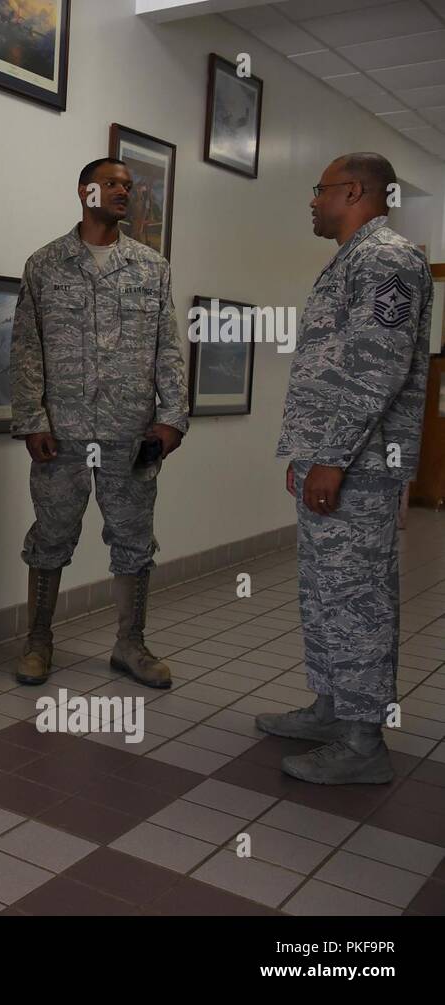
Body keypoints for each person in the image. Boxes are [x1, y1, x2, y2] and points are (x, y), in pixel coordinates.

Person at [263, 152, 433, 785]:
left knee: (357, 597)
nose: (313, 201)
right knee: (326, 592)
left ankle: (363, 743)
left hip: (359, 464)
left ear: (353, 191)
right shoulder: (352, 260)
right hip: (334, 457)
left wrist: (331, 458)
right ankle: (333, 709)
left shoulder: (386, 259)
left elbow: (375, 370)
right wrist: (307, 456)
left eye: (321, 190)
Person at [10, 158, 188, 690]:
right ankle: (39, 640)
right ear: (84, 191)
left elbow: (168, 349)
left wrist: (172, 416)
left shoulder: (150, 267)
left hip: (130, 432)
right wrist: (31, 419)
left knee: (134, 539)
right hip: (60, 433)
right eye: (112, 184)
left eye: (128, 187)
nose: (122, 193)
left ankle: (130, 644)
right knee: (51, 536)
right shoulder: (45, 265)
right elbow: (25, 350)